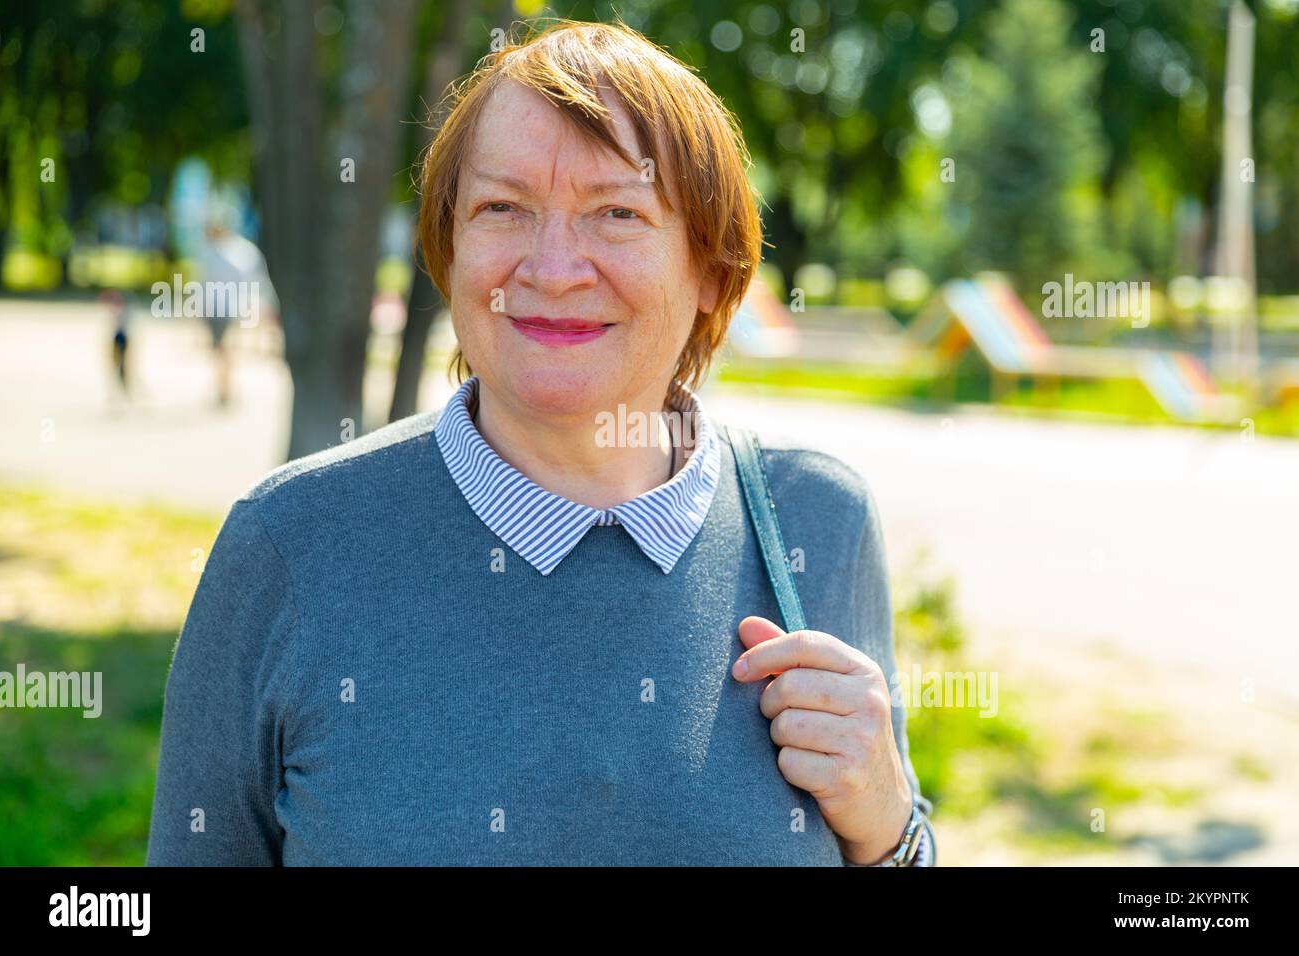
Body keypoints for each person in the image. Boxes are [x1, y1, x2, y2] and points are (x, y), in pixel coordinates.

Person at [145, 19, 935, 866]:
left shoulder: (818, 519)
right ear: (451, 245)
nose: (553, 269)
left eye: (617, 212)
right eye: (503, 208)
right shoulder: (288, 546)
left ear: (711, 268)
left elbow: (893, 846)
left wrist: (889, 822)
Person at [197, 217, 276, 408]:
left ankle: (225, 387)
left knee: (223, 349)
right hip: (222, 307)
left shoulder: (232, 253)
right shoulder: (232, 251)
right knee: (223, 350)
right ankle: (225, 386)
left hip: (224, 308)